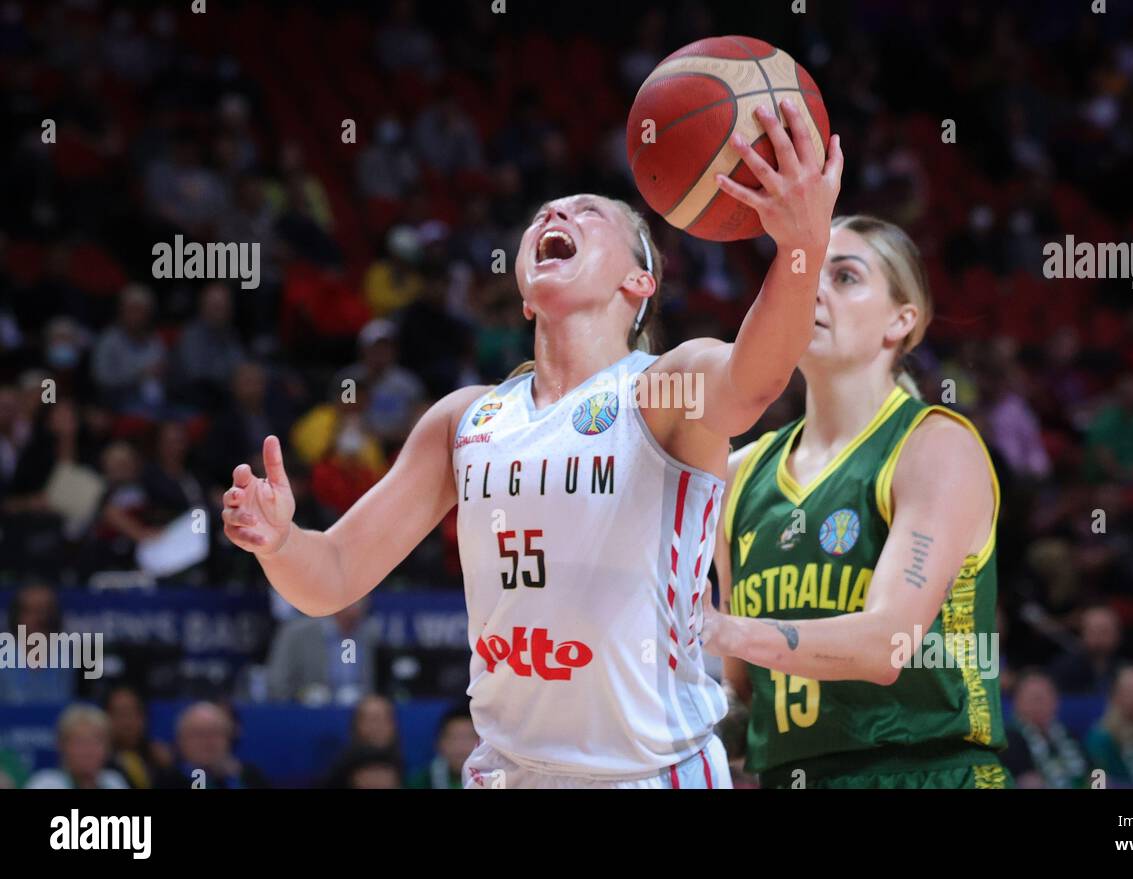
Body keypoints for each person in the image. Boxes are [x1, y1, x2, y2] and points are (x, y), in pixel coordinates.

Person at [222, 100, 843, 788]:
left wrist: (800, 247)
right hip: (509, 773)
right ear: (522, 293)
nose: (555, 217)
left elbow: (755, 381)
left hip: (647, 772)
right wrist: (279, 543)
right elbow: (333, 574)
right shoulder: (465, 420)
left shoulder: (658, 393)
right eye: (545, 214)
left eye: (587, 213)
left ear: (639, 283)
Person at [703, 214, 1007, 789]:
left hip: (924, 773)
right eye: (803, 273)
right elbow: (744, 701)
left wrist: (717, 630)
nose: (813, 289)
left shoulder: (934, 445)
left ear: (902, 320)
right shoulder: (740, 474)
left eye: (844, 277)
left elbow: (886, 645)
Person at [25, 704, 130, 789]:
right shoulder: (45, 784)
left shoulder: (114, 782)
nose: (88, 751)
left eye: (96, 742)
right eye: (80, 742)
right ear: (62, 746)